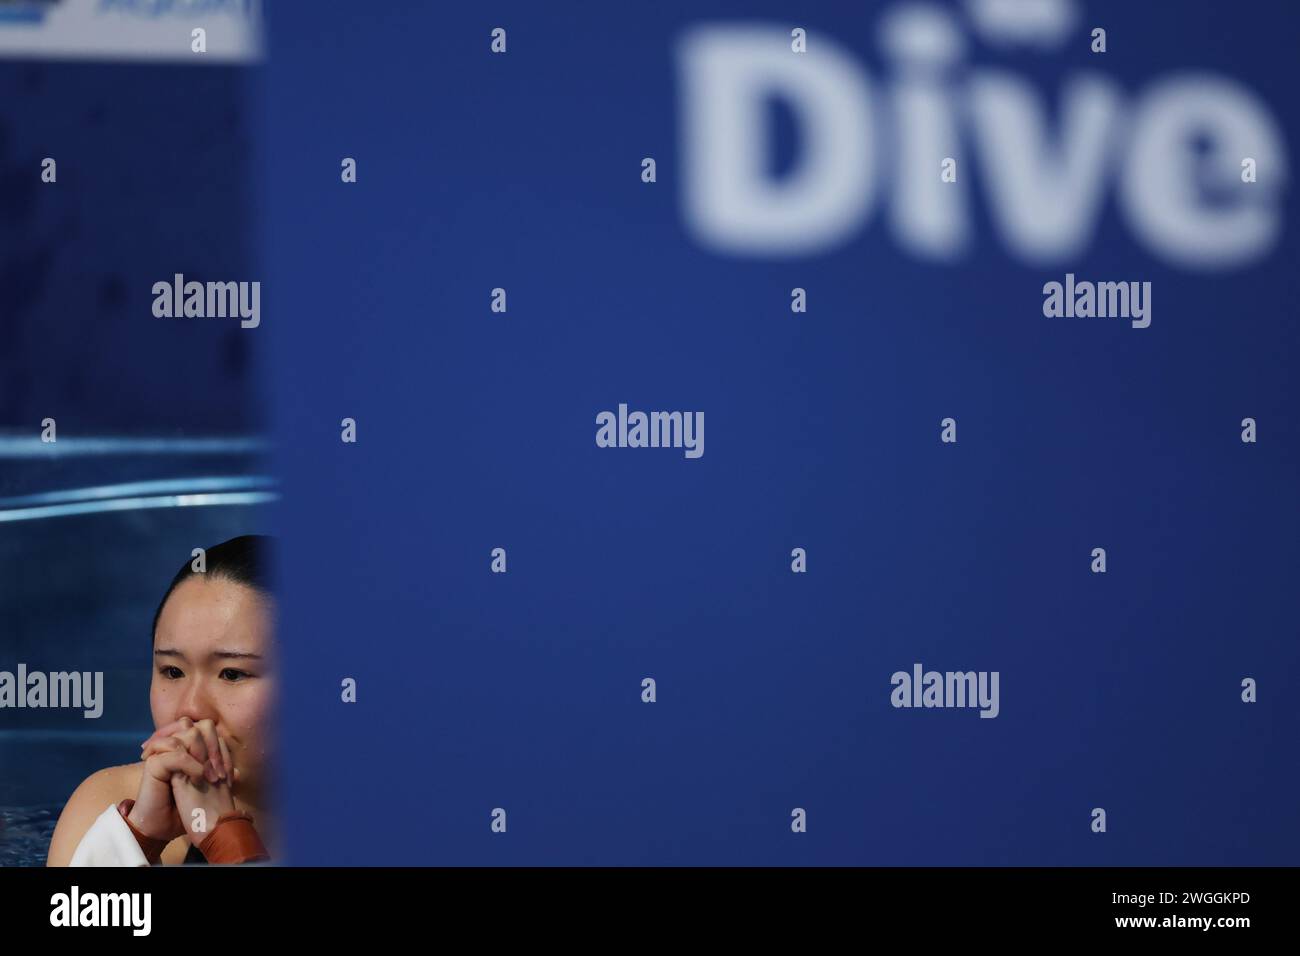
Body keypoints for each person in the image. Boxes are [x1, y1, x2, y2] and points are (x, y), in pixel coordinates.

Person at [46, 535, 277, 865]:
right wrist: (139, 839)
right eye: (172, 671)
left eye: (231, 674)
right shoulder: (109, 801)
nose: (190, 708)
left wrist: (222, 837)